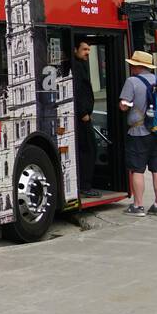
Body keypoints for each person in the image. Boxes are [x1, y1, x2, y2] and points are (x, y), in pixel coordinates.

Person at [119, 50, 157, 218]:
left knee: (137, 169)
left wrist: (130, 103)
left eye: (132, 65)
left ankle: (138, 206)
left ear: (137, 66)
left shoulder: (132, 81)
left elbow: (123, 105)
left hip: (138, 132)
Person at [70, 37, 99, 199]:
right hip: (82, 118)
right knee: (88, 149)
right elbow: (79, 91)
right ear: (75, 50)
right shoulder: (77, 67)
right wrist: (83, 114)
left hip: (83, 116)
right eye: (84, 49)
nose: (88, 52)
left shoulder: (80, 65)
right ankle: (85, 186)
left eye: (89, 49)